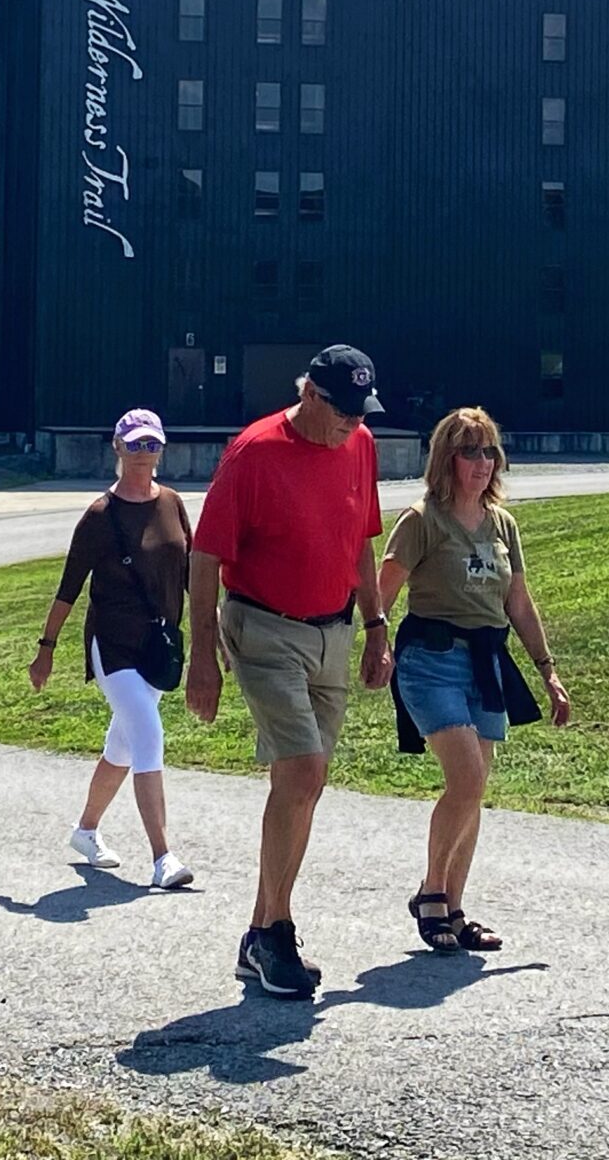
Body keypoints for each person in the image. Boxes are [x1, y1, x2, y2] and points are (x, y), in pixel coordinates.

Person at [185, 344, 393, 998]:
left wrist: (378, 625)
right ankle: (277, 933)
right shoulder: (255, 452)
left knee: (306, 783)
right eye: (344, 412)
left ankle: (258, 936)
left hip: (334, 629)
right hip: (264, 625)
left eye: (363, 413)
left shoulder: (359, 445)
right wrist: (201, 657)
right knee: (302, 771)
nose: (354, 424)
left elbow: (361, 539)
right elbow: (205, 556)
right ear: (310, 395)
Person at [379, 407, 572, 955]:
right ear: (447, 459)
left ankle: (450, 906)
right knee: (465, 778)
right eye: (470, 451)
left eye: (489, 451)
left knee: (475, 788)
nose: (482, 463)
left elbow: (519, 602)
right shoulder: (423, 520)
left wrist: (548, 671)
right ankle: (433, 896)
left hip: (487, 661)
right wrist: (378, 644)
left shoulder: (502, 523)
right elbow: (383, 589)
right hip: (431, 659)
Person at [30, 408, 194, 891]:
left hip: (158, 648)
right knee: (148, 733)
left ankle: (85, 831)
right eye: (135, 444)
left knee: (122, 745)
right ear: (117, 448)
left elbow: (190, 576)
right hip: (114, 645)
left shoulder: (173, 503)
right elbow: (68, 589)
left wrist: (214, 634)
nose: (144, 453)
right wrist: (46, 648)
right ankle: (163, 858)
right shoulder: (100, 517)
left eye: (152, 445)